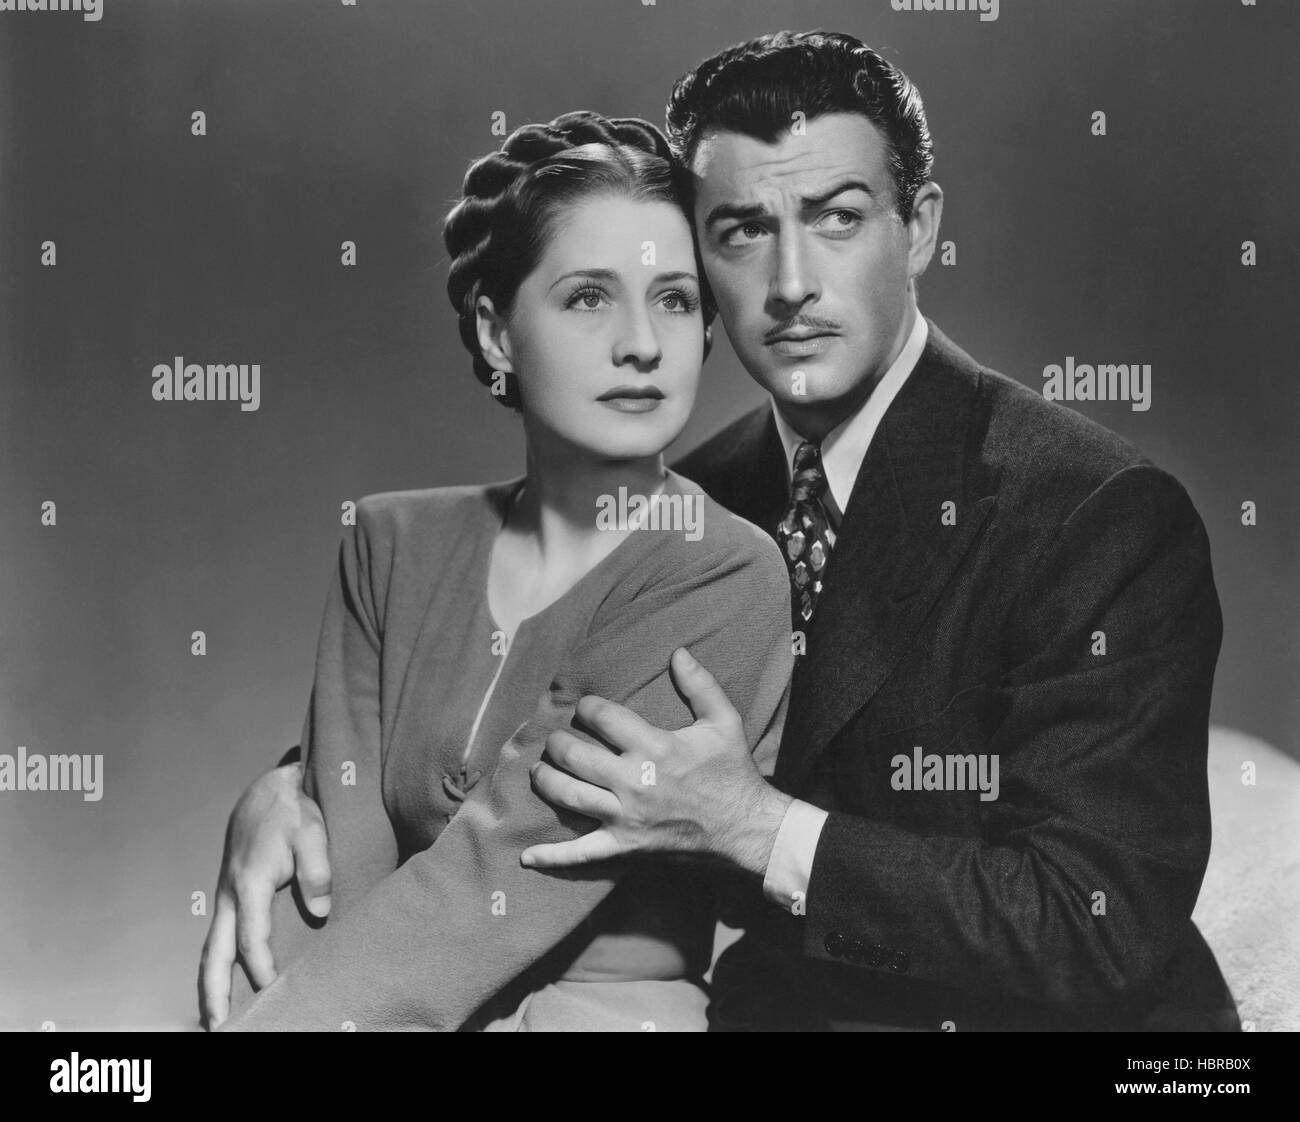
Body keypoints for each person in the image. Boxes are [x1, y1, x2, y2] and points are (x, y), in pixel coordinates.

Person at [207, 30, 1240, 1032]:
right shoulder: (691, 498)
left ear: (918, 227)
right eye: (741, 230)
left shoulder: (1093, 514)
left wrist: (756, 829)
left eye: (835, 218)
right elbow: (500, 704)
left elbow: (1093, 924)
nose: (790, 283)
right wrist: (291, 785)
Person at [199, 110, 793, 1031]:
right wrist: (283, 798)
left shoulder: (724, 575)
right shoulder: (388, 545)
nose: (643, 342)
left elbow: (500, 867)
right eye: (589, 296)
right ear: (497, 332)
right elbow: (335, 868)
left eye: (676, 298)